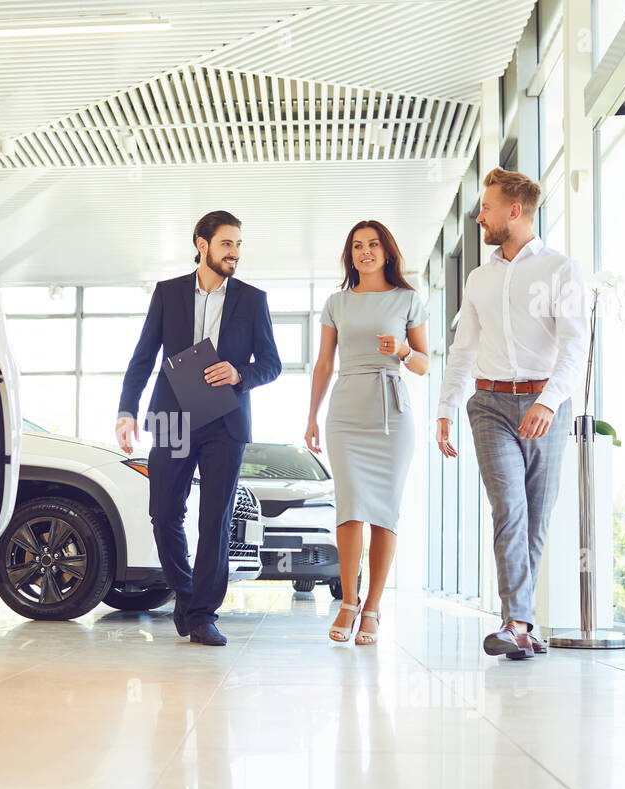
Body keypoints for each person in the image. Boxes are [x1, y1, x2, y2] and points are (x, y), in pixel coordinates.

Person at [436, 168, 588, 660]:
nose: (480, 216)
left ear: (514, 211)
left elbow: (574, 344)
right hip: (490, 405)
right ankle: (515, 620)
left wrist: (549, 400)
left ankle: (523, 627)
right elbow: (462, 351)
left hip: (547, 404)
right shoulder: (480, 278)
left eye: (486, 208)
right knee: (510, 509)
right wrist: (446, 407)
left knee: (535, 519)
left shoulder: (562, 270)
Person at [116, 210, 282, 646]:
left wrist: (238, 372)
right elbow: (143, 355)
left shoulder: (252, 299)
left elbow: (272, 364)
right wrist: (126, 410)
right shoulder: (168, 293)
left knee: (216, 518)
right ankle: (187, 597)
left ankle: (204, 613)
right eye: (227, 244)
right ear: (202, 244)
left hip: (226, 421)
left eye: (239, 245)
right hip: (172, 416)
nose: (235, 253)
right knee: (165, 512)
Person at [305, 220, 429, 644]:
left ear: (387, 252)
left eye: (373, 245)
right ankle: (349, 602)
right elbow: (323, 364)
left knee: (384, 512)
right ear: (350, 255)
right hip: (346, 413)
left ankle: (373, 608)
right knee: (351, 507)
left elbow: (424, 364)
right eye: (357, 246)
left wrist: (403, 350)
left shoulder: (408, 299)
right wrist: (310, 417)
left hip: (392, 413)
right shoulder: (336, 303)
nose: (365, 252)